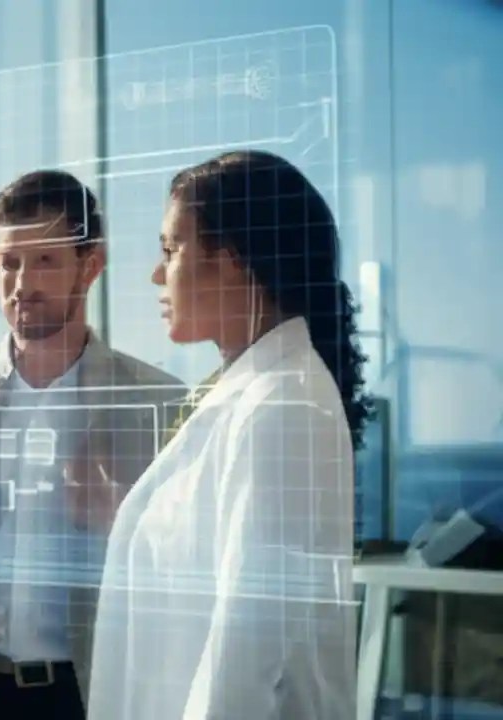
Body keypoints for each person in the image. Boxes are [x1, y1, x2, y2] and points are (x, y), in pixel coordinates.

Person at [0, 170, 185, 720]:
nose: (23, 282)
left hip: (91, 694)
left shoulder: (161, 405)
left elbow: (184, 577)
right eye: (9, 262)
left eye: (45, 260)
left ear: (91, 265)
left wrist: (115, 519)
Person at [87, 150, 372, 719]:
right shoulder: (248, 393)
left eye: (170, 250)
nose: (154, 273)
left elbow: (245, 660)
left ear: (234, 259)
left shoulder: (282, 405)